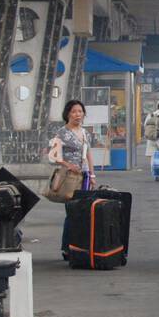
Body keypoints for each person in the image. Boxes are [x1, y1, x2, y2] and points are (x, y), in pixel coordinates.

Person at [56, 99, 98, 259]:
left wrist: (92, 174)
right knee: (72, 211)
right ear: (67, 114)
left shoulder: (85, 133)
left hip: (85, 176)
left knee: (85, 211)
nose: (77, 114)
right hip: (70, 177)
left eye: (80, 111)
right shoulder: (62, 133)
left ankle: (81, 245)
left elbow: (88, 154)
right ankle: (67, 247)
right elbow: (54, 156)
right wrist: (68, 165)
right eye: (74, 111)